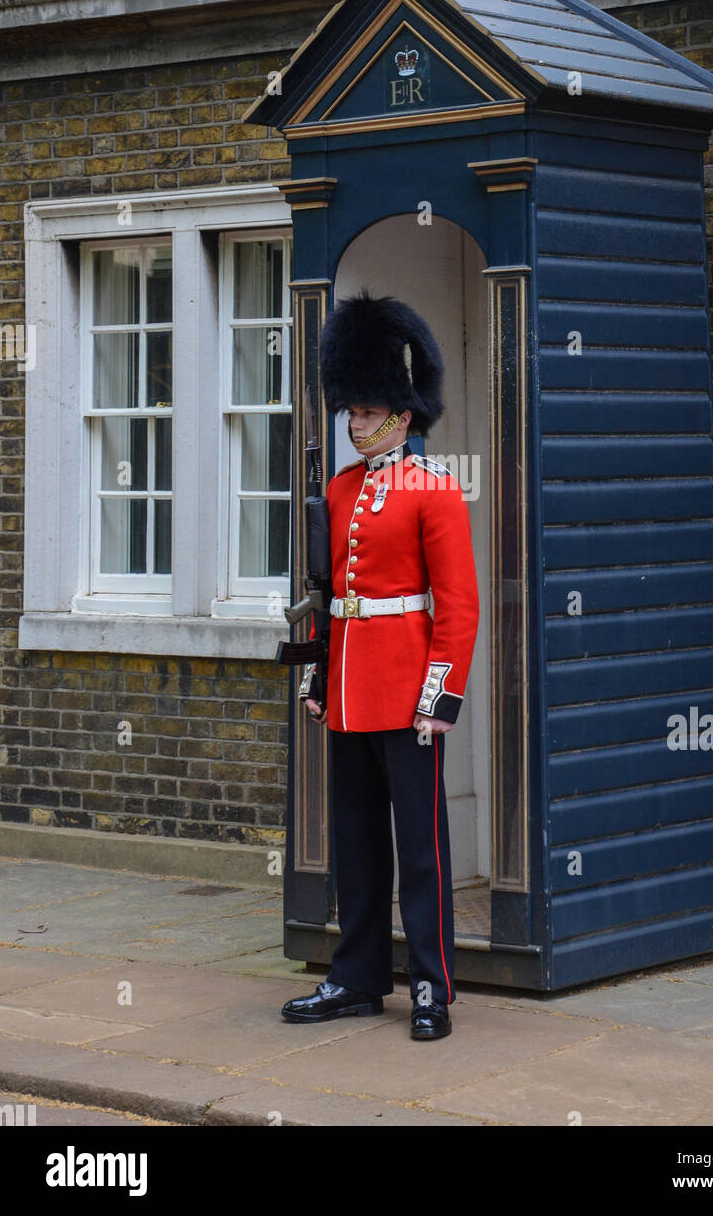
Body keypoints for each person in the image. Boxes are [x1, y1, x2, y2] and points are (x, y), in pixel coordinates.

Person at [280, 290, 479, 1041]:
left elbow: (457, 607)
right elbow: (329, 598)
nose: (354, 423)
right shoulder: (338, 489)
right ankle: (357, 976)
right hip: (347, 690)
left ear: (401, 413)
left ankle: (431, 984)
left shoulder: (435, 492)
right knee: (356, 842)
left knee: (419, 849)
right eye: (351, 412)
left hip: (408, 692)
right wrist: (314, 676)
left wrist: (439, 697)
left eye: (366, 412)